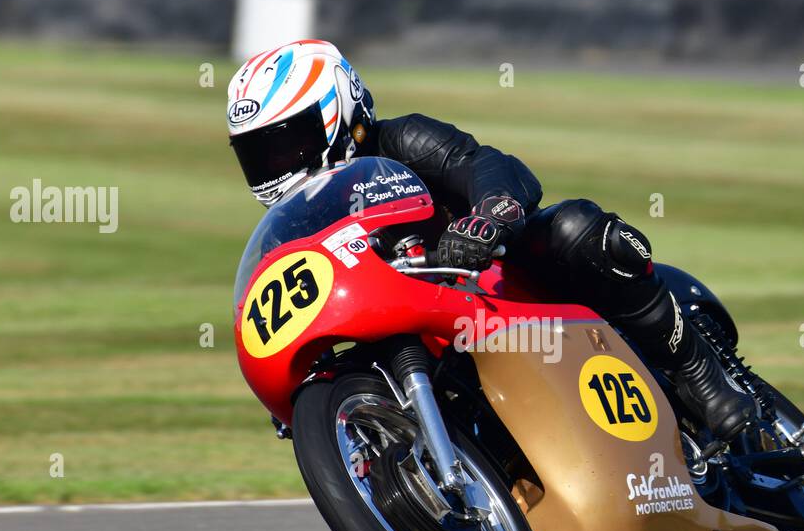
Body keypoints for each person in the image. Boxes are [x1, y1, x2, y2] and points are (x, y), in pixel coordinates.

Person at [225, 39, 754, 441]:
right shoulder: (294, 226)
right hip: (423, 331)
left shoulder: (400, 139)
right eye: (259, 157)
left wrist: (488, 217)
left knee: (578, 231)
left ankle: (696, 371)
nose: (277, 168)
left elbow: (486, 164)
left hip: (501, 283)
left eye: (286, 146)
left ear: (339, 114)